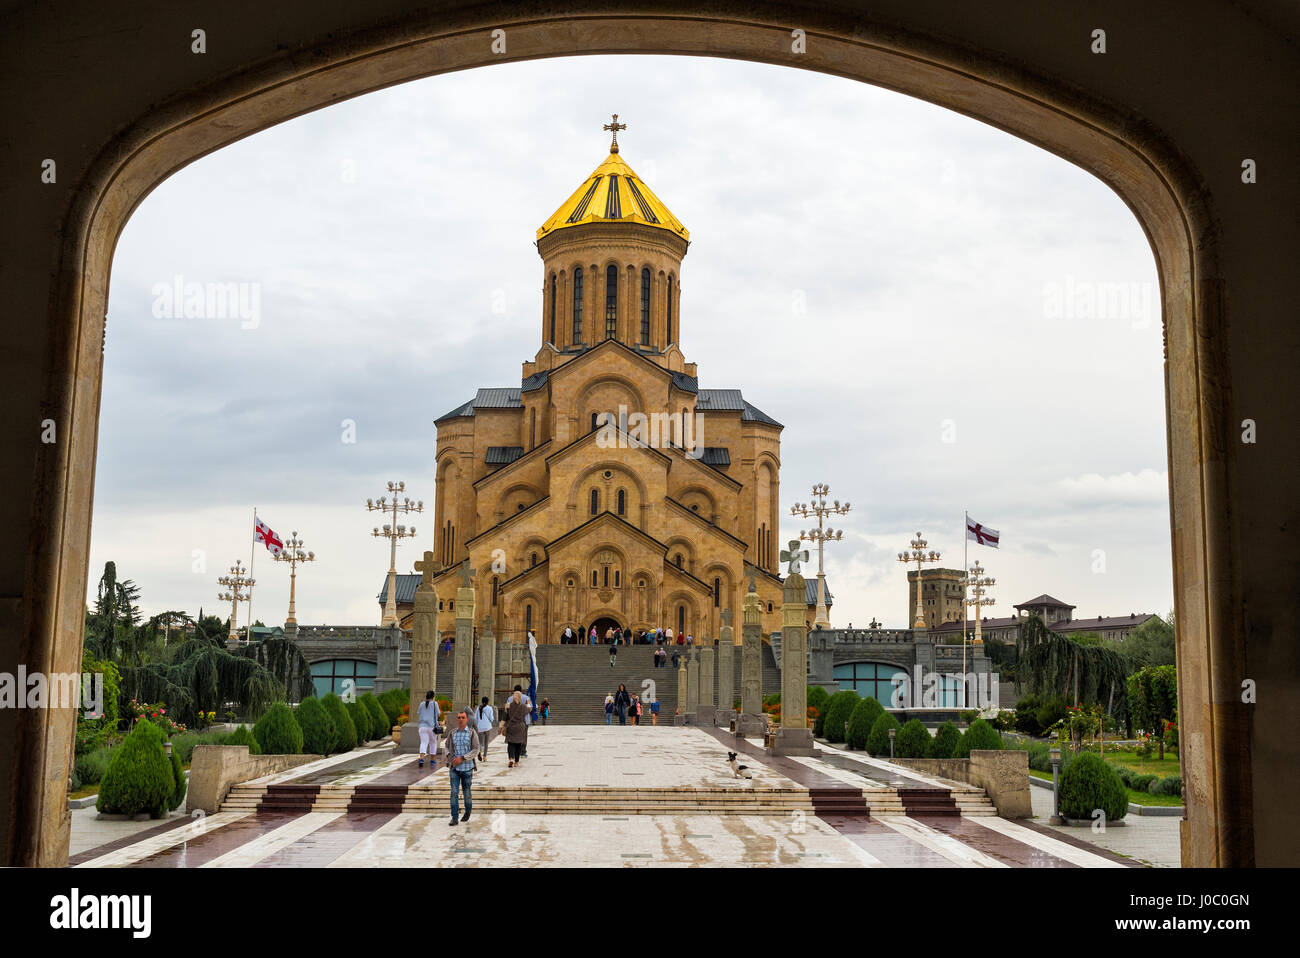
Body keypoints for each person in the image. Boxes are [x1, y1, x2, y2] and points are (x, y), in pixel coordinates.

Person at [444, 709, 480, 826]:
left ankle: (468, 811)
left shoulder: (471, 733)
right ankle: (454, 817)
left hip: (467, 768)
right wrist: (450, 757)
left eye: (463, 718)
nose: (460, 719)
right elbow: (446, 746)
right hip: (454, 768)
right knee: (454, 792)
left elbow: (476, 749)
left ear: (467, 719)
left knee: (467, 792)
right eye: (459, 717)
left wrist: (463, 758)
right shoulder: (452, 733)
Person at [500, 689, 529, 767]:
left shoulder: (508, 706)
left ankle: (511, 759)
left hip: (511, 727)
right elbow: (529, 710)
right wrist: (528, 704)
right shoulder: (523, 706)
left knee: (510, 744)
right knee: (518, 744)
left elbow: (504, 718)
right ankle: (516, 761)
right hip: (520, 727)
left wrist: (500, 727)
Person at [417, 690, 441, 769]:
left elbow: (419, 713)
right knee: (433, 743)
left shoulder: (421, 704)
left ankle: (421, 759)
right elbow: (438, 714)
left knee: (423, 742)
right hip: (432, 727)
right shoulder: (435, 703)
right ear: (433, 697)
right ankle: (432, 760)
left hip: (422, 726)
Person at [474, 695, 494, 762]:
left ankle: (479, 752)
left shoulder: (478, 708)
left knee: (480, 743)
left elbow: (475, 718)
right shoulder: (489, 708)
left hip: (480, 727)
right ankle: (485, 756)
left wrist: (476, 726)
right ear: (488, 702)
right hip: (487, 727)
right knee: (486, 743)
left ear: (482, 701)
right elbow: (491, 718)